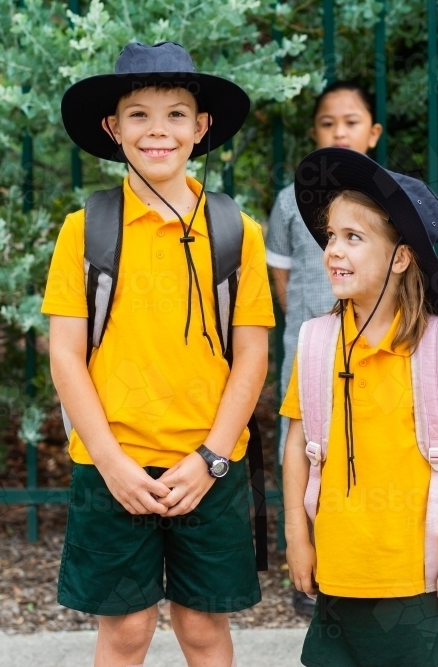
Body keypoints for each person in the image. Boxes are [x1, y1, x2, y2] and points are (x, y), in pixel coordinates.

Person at [43, 42, 274, 667]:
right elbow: (65, 354)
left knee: (203, 628)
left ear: (201, 129)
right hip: (111, 465)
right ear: (113, 129)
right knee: (125, 632)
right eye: (138, 114)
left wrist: (211, 458)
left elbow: (252, 355)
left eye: (176, 114)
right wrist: (113, 465)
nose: (158, 130)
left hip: (209, 464)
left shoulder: (237, 231)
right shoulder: (84, 229)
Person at [282, 147, 438, 667]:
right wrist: (295, 538)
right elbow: (296, 446)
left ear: (400, 257)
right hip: (338, 568)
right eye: (331, 235)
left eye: (354, 237)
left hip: (412, 576)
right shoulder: (315, 344)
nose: (333, 249)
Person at [265, 82, 382, 616]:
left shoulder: (386, 199)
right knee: (307, 448)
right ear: (315, 133)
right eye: (328, 123)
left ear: (373, 133)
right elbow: (281, 277)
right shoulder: (290, 201)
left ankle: (362, 561)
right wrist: (309, 331)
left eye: (351, 122)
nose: (339, 132)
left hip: (372, 351)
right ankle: (307, 567)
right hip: (307, 350)